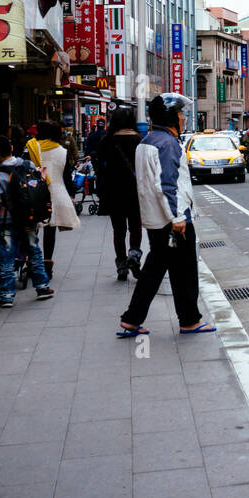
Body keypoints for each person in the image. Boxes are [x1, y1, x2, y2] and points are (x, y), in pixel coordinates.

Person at [118, 93, 215, 337]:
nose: (183, 118)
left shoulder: (147, 141)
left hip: (154, 219)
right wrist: (178, 218)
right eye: (181, 113)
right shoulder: (168, 144)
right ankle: (189, 320)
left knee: (154, 268)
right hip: (173, 221)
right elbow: (167, 185)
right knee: (184, 273)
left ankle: (132, 319)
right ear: (172, 117)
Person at [0, 135, 54, 307]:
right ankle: (42, 287)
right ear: (12, 149)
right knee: (34, 251)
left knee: (7, 257)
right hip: (29, 218)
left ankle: (7, 295)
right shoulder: (27, 165)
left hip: (7, 221)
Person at [26, 119, 80, 279]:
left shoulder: (31, 148)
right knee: (50, 230)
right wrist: (70, 195)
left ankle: (31, 263)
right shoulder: (62, 151)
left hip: (32, 192)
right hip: (55, 192)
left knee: (31, 228)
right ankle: (47, 264)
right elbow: (67, 177)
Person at [97, 108, 144, 281]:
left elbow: (100, 168)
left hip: (113, 191)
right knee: (135, 227)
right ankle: (134, 256)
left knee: (119, 231)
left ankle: (121, 265)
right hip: (134, 191)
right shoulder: (139, 140)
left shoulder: (107, 141)